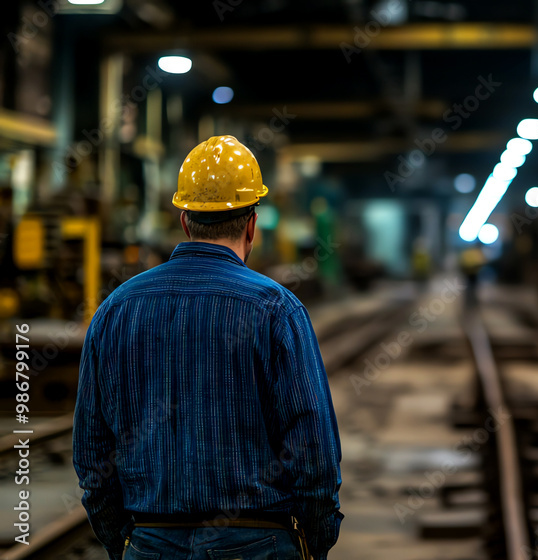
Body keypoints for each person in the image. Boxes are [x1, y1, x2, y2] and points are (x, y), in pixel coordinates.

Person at [73, 135, 343, 560]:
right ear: (252, 224)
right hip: (260, 542)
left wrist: (125, 540)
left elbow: (91, 454)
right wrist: (313, 540)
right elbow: (315, 457)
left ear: (184, 219)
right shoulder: (277, 309)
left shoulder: (116, 310)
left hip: (149, 541)